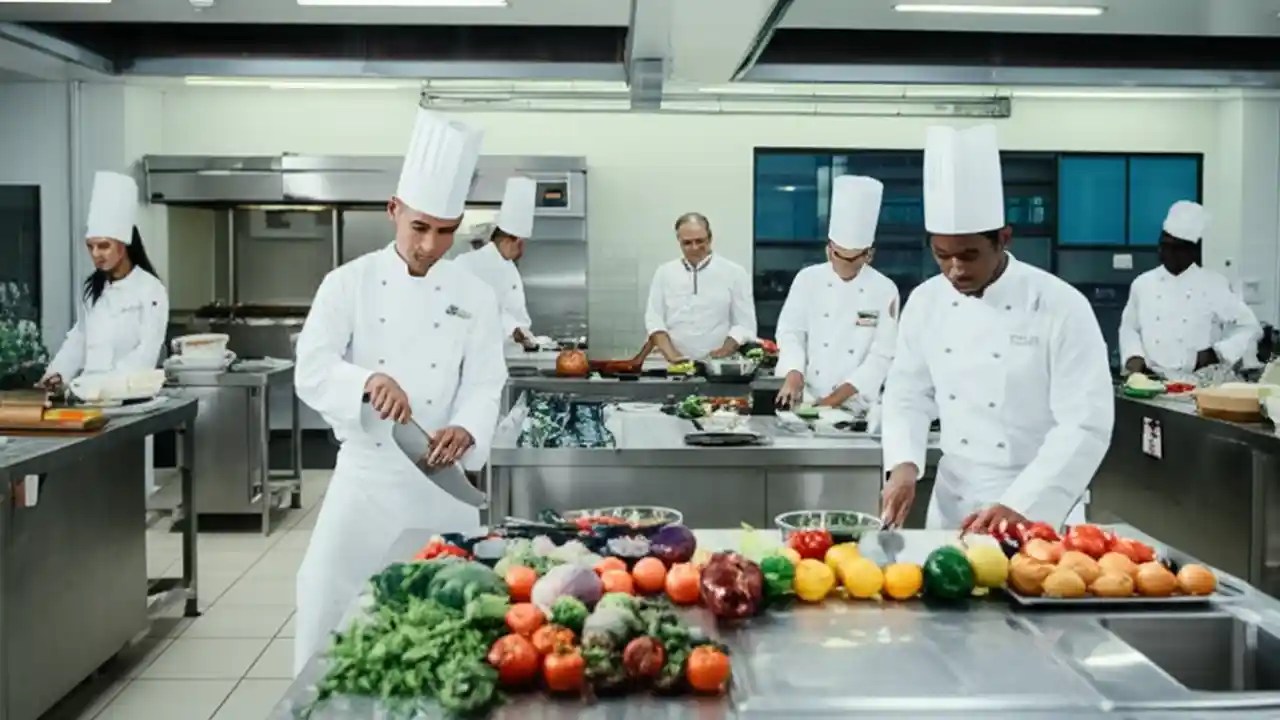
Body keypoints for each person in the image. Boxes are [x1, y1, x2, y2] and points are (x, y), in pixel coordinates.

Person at [292, 108, 508, 676]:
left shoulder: (476, 294)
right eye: (420, 228)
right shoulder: (348, 283)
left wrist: (467, 427)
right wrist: (366, 381)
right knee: (323, 592)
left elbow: (487, 380)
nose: (431, 244)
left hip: (442, 479)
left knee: (449, 611)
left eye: (445, 230)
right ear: (394, 210)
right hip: (365, 477)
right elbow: (311, 368)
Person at [879, 125, 1114, 533]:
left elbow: (1085, 423)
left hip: (1036, 505)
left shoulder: (1060, 305)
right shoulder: (926, 301)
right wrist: (903, 464)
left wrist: (1022, 503)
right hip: (952, 503)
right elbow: (908, 391)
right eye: (942, 255)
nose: (955, 269)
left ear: (1003, 238)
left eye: (969, 255)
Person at [775, 175, 899, 410]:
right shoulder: (808, 279)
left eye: (851, 258)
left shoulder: (884, 289)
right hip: (809, 398)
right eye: (836, 255)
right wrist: (794, 372)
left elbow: (882, 355)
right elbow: (791, 332)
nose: (842, 263)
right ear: (828, 249)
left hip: (857, 402)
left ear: (868, 255)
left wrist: (835, 399)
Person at [41, 171, 168, 387]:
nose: (96, 254)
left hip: (130, 397)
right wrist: (58, 373)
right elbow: (80, 338)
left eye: (104, 246)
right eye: (90, 247)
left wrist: (105, 385)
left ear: (123, 245)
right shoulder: (91, 289)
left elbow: (147, 352)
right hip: (89, 397)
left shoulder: (151, 290)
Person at [1118, 200, 1261, 379]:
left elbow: (1250, 326)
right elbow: (1129, 328)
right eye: (1163, 245)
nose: (1165, 252)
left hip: (1198, 382)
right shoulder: (1143, 284)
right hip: (1151, 380)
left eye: (1175, 247)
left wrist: (1218, 353)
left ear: (1192, 251)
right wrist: (1133, 356)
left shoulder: (1214, 284)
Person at [645, 212, 757, 362]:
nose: (694, 247)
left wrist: (724, 351)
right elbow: (654, 319)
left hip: (720, 367)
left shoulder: (735, 273)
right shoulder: (664, 273)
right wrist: (672, 355)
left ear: (710, 238)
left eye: (700, 241)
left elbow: (745, 324)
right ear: (679, 241)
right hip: (671, 365)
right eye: (687, 243)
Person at [453, 176, 540, 350]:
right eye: (520, 244)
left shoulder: (508, 267)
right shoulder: (467, 264)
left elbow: (516, 315)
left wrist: (523, 333)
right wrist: (512, 329)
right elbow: (467, 310)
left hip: (507, 354)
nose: (522, 250)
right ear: (510, 240)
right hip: (475, 352)